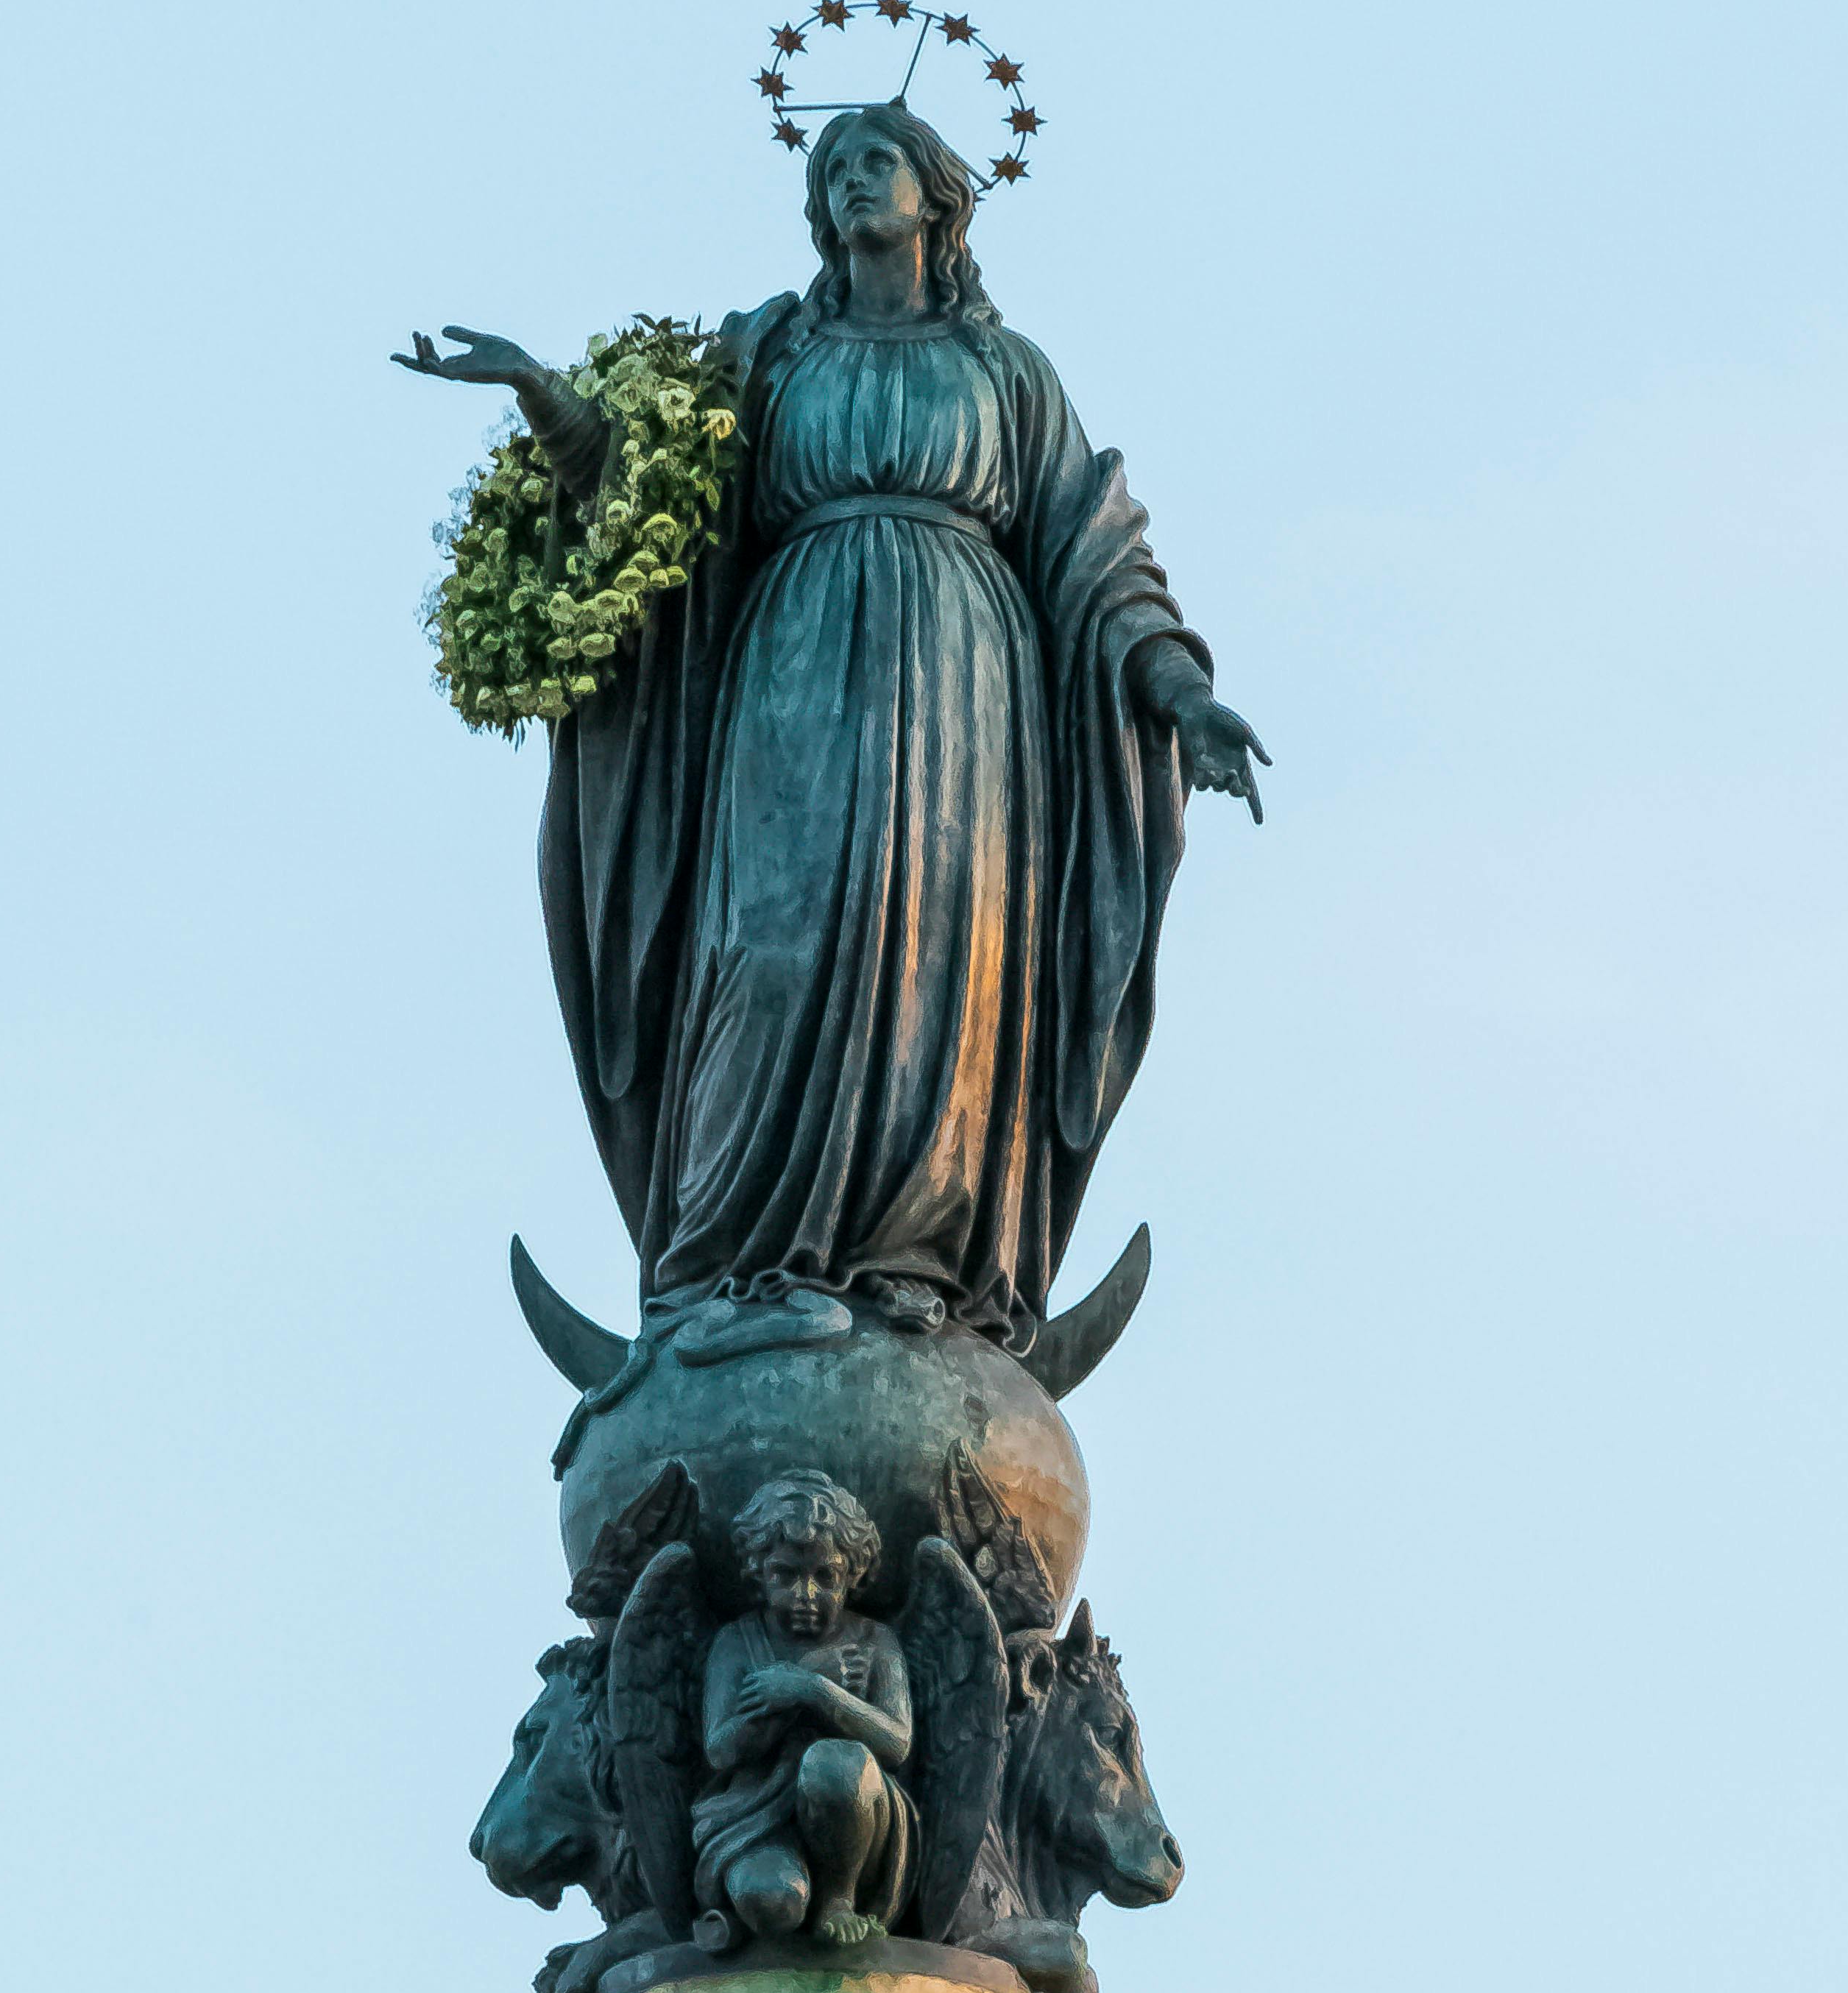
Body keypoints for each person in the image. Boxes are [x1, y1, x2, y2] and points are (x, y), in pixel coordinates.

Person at [402, 104, 1270, 1358]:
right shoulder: (771, 353)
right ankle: (740, 1255)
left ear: (938, 195)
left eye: (879, 160)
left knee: (942, 965)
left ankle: (915, 1259)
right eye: (834, 167)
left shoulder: (1008, 373)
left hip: (974, 693)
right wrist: (544, 394)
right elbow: (655, 501)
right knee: (768, 942)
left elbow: (1096, 555)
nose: (854, 181)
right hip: (794, 669)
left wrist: (1181, 695)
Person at [691, 1476, 915, 1951]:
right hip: (755, 1814)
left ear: (853, 1575)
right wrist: (791, 1688)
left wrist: (816, 1690)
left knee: (834, 1762)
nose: (805, 1594)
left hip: (856, 1818)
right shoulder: (736, 1642)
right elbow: (720, 1750)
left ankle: (838, 1898)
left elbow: (897, 1743)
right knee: (772, 1903)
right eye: (785, 1575)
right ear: (757, 1571)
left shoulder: (876, 1642)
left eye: (826, 1577)